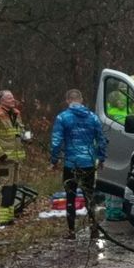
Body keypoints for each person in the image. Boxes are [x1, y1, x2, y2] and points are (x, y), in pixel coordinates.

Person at [50, 89, 108, 240]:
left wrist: (54, 160)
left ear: (68, 100)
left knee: (70, 196)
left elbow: (56, 141)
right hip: (88, 162)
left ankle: (71, 232)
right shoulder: (92, 117)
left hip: (71, 163)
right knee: (89, 195)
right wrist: (101, 158)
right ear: (81, 100)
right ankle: (94, 229)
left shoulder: (62, 117)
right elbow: (101, 139)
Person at [0, 89, 26, 225]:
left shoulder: (16, 114)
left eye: (12, 97)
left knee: (12, 189)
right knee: (3, 189)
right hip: (4, 161)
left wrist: (27, 137)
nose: (12, 100)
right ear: (1, 101)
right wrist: (0, 154)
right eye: (9, 98)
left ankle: (8, 217)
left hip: (16, 160)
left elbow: (21, 131)